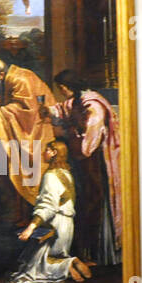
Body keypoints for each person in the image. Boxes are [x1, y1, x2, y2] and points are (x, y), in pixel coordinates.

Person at [44, 70, 122, 265]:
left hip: (95, 160)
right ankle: (82, 251)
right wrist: (49, 112)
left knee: (94, 201)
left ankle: (96, 254)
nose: (61, 91)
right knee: (81, 201)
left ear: (67, 86)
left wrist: (71, 140)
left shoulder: (93, 104)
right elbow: (63, 110)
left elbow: (90, 138)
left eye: (61, 87)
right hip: (82, 158)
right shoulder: (77, 100)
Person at [0, 58, 55, 205]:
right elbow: (12, 102)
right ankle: (21, 214)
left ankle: (33, 215)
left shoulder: (20, 79)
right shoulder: (11, 77)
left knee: (28, 170)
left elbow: (26, 109)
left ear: (1, 74)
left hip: (34, 130)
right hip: (26, 128)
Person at [7, 140, 92, 283]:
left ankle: (69, 263)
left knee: (33, 270)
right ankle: (69, 262)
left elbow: (48, 206)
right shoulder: (66, 174)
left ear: (54, 153)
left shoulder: (50, 176)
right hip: (67, 225)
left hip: (55, 225)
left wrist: (31, 228)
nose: (43, 153)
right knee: (39, 258)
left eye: (46, 150)